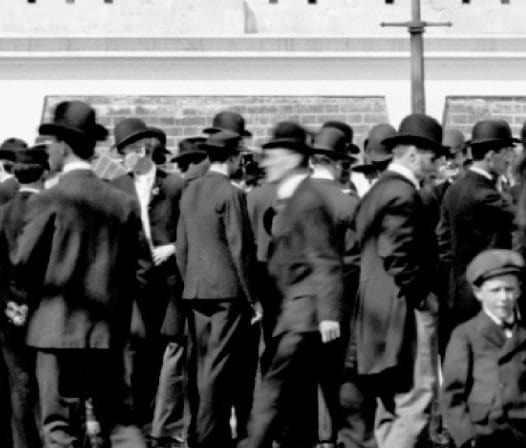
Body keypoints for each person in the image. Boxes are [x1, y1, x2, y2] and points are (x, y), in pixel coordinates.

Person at [13, 101, 148, 448]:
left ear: (63, 146)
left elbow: (23, 266)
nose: (49, 152)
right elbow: (142, 268)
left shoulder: (49, 200)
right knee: (120, 425)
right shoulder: (123, 202)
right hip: (108, 331)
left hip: (55, 333)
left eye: (52, 144)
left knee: (59, 430)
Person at [238, 122, 347, 448]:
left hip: (306, 316)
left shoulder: (308, 201)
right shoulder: (292, 197)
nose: (265, 163)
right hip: (296, 312)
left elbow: (325, 258)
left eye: (272, 156)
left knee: (271, 393)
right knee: (306, 398)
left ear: (291, 158)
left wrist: (328, 313)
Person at [353, 113, 446, 448]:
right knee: (414, 403)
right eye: (433, 158)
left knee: (390, 407)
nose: (437, 167)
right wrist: (425, 296)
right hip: (404, 314)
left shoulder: (378, 191)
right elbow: (397, 256)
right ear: (412, 154)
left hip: (377, 314)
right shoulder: (403, 195)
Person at [103, 119, 183, 448]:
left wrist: (174, 247)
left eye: (127, 154)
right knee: (134, 352)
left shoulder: (175, 185)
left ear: (143, 149)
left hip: (168, 282)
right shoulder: (115, 187)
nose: (124, 161)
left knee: (162, 352)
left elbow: (191, 229)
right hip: (131, 283)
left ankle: (158, 425)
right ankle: (135, 421)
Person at [173, 131, 254, 448]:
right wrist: (254, 298)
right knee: (217, 369)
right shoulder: (231, 193)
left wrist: (191, 279)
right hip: (227, 294)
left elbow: (182, 247)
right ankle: (209, 437)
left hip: (195, 290)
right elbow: (241, 250)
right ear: (234, 157)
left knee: (197, 365)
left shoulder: (190, 191)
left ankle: (198, 431)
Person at [440, 249, 526, 448]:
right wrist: (466, 436)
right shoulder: (465, 335)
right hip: (484, 433)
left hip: (524, 432)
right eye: (495, 291)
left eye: (509, 289)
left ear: (519, 290)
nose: (504, 298)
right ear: (478, 293)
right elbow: (452, 394)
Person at [0, 141, 46, 448]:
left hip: (10, 311)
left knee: (18, 383)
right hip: (50, 312)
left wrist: (5, 306)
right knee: (51, 383)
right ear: (43, 173)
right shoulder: (57, 210)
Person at [439, 120, 518, 335]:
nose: (510, 159)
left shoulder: (454, 189)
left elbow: (443, 244)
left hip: (460, 292)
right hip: (484, 294)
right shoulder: (483, 193)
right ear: (491, 155)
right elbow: (522, 217)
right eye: (507, 152)